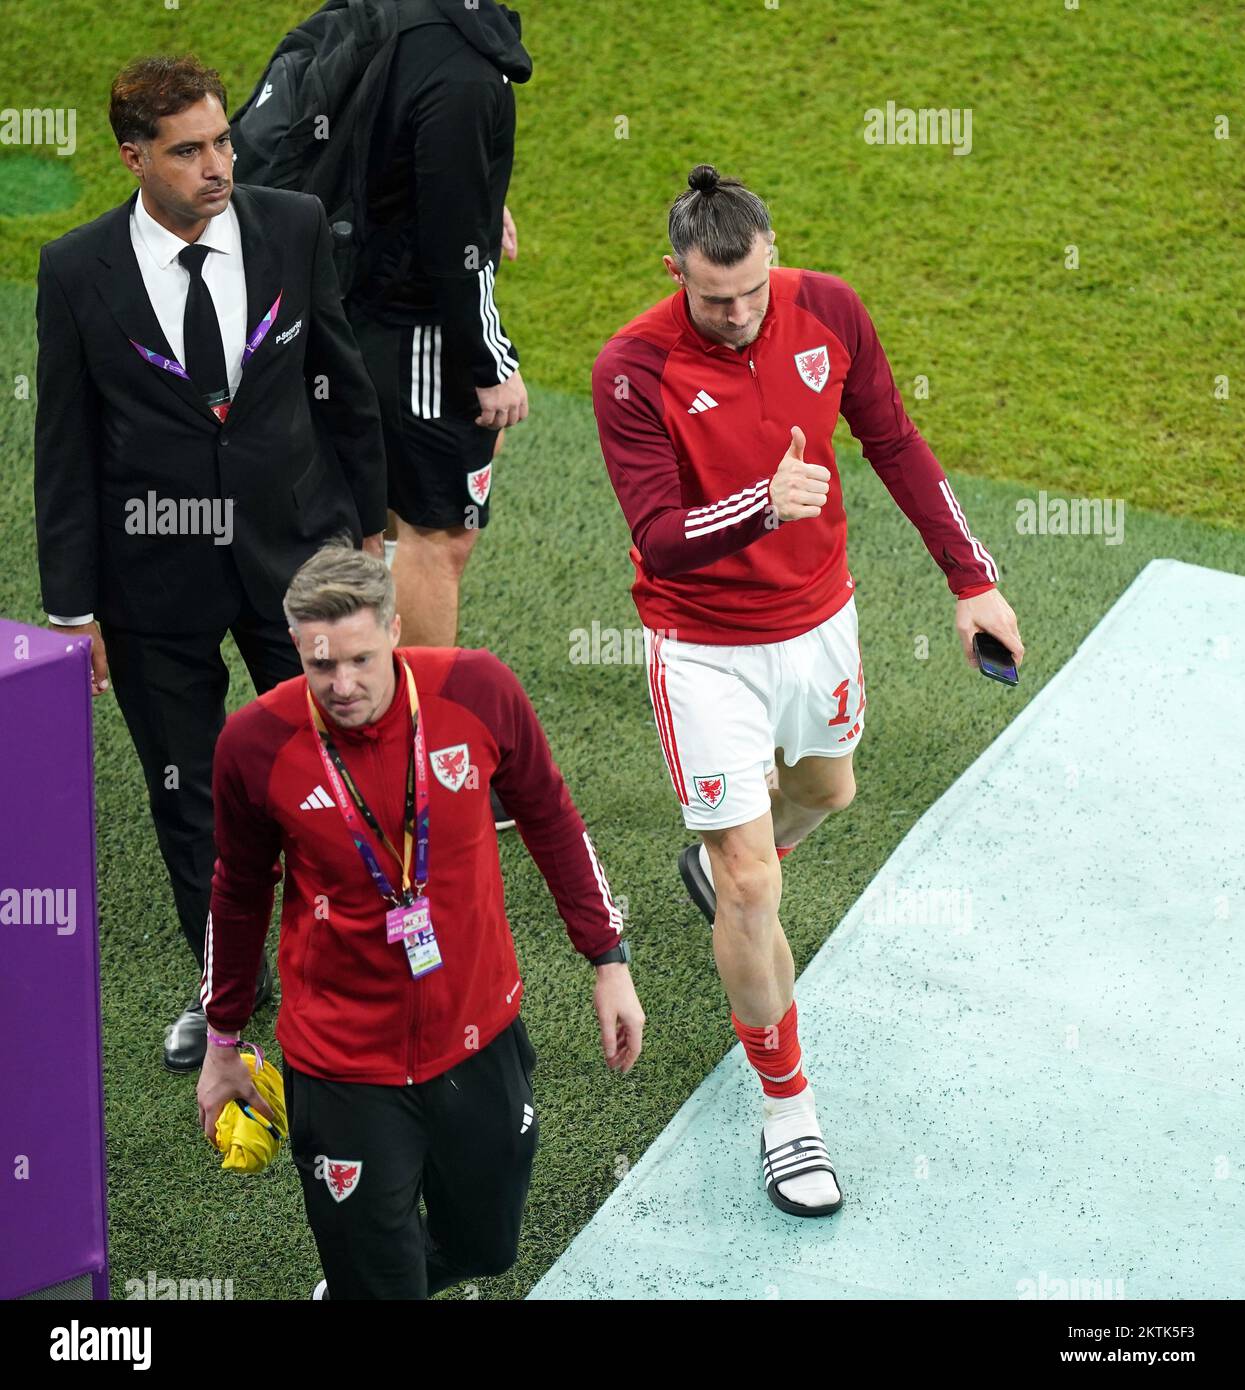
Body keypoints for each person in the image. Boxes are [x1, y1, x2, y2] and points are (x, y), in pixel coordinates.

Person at [592, 164, 1025, 1218]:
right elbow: (656, 537)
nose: (736, 316)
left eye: (750, 292)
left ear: (773, 253)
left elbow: (895, 443)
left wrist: (975, 583)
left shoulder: (830, 310)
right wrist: (759, 504)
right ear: (675, 272)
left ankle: (739, 860)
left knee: (830, 791)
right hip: (702, 649)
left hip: (819, 621)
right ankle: (789, 1111)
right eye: (712, 297)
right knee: (749, 886)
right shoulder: (631, 368)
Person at [33, 55, 388, 1071]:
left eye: (223, 141)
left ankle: (359, 962)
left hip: (301, 560)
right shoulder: (76, 269)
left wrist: (371, 538)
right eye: (188, 150)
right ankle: (225, 987)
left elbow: (342, 383)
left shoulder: (293, 225)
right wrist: (73, 609)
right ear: (133, 156)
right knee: (189, 794)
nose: (217, 165)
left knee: (340, 765)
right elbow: (64, 447)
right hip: (153, 586)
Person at [196, 540, 643, 1299]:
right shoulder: (255, 744)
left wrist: (608, 959)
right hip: (340, 1062)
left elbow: (553, 820)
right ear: (297, 650)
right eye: (320, 665)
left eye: (360, 660)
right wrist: (222, 1039)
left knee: (486, 1246)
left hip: (477, 1032)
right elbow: (237, 892)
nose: (342, 685)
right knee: (379, 1283)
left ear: (397, 631)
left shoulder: (478, 691)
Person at [346, 0, 531, 650]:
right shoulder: (467, 74)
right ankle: (418, 722)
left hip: (355, 298)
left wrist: (471, 191)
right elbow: (453, 252)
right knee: (439, 534)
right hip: (414, 330)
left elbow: (373, 134)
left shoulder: (391, 20)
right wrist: (488, 366)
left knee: (387, 515)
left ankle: (364, 663)